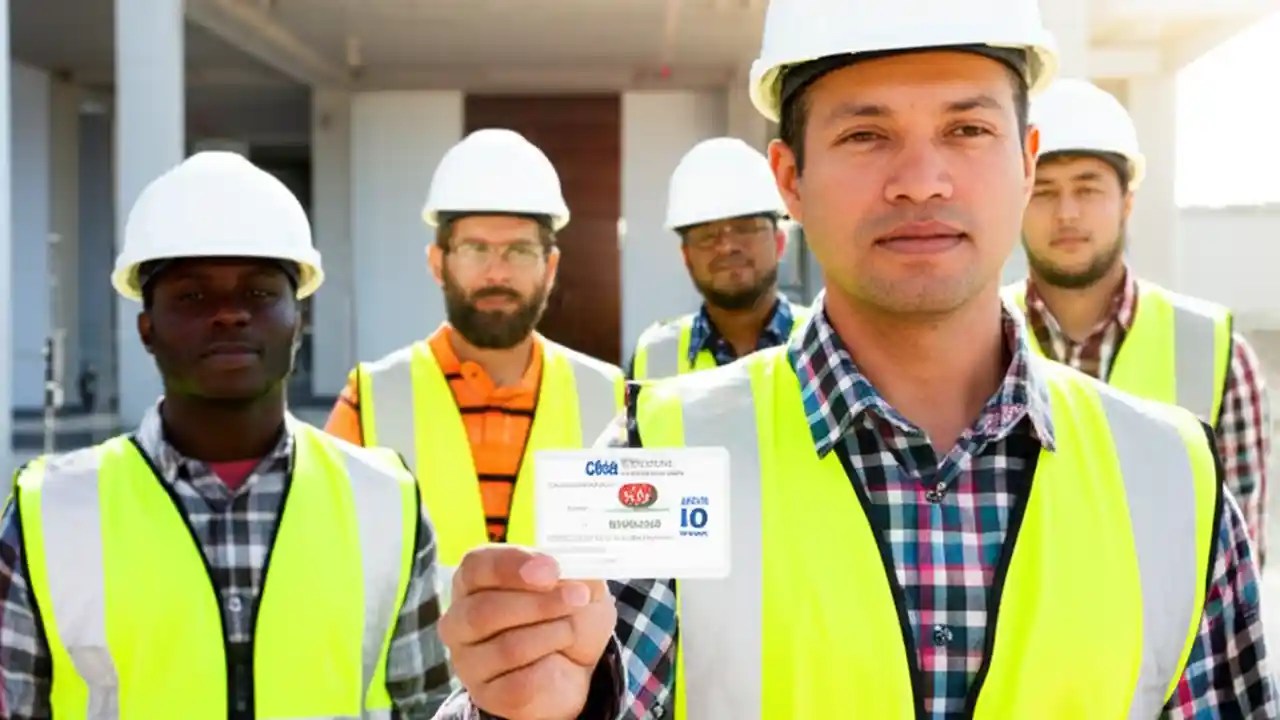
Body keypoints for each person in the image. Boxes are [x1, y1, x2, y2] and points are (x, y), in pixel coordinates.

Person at [431, 0, 1276, 718]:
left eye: (967, 128)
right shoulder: (664, 453)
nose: (921, 179)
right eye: (867, 133)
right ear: (791, 181)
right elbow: (562, 685)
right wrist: (535, 696)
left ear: (1025, 160)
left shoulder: (1171, 479)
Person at [0, 152, 453, 717]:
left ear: (299, 321)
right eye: (192, 295)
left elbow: (430, 707)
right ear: (148, 327)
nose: (230, 314)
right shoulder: (51, 511)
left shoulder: (386, 502)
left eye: (260, 292)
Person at [324, 128, 624, 606]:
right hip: (418, 680)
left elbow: (639, 577)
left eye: (519, 251)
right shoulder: (372, 398)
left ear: (550, 267)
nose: (497, 273)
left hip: (567, 679)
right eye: (475, 249)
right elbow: (329, 562)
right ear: (438, 263)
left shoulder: (608, 398)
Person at [1006, 77, 1271, 561]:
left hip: (1168, 640)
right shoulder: (974, 336)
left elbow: (1236, 559)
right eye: (1043, 191)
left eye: (1088, 188)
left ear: (1127, 201)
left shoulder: (1215, 353)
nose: (1067, 213)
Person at [628, 136, 811, 379]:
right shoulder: (655, 356)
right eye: (707, 235)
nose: (727, 246)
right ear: (686, 256)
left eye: (745, 228)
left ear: (779, 242)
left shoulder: (825, 342)